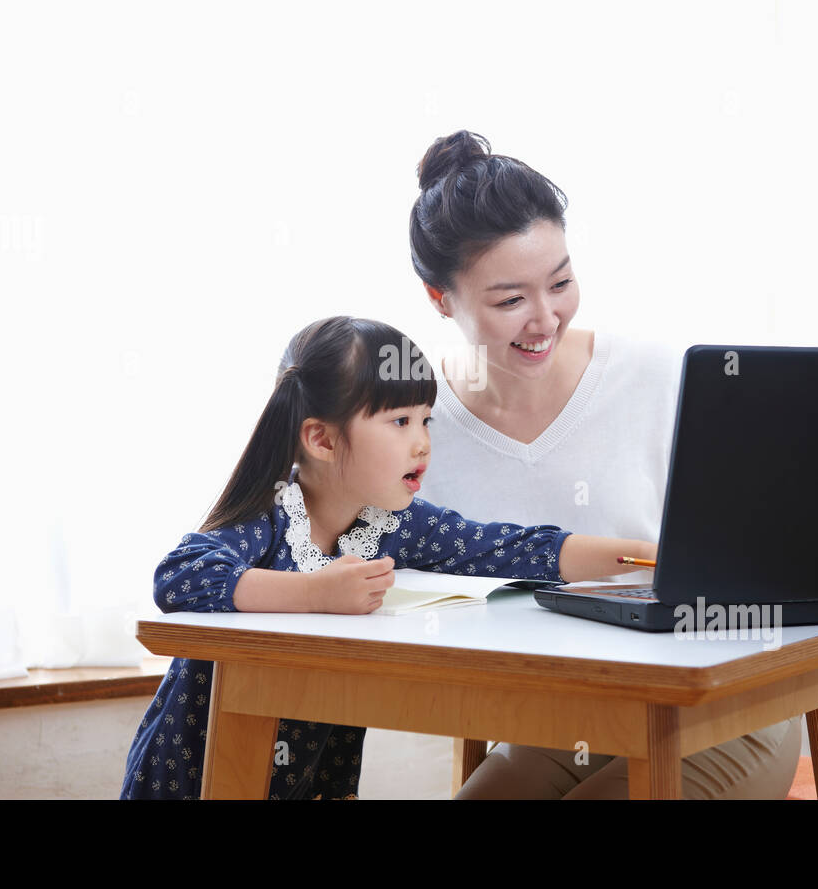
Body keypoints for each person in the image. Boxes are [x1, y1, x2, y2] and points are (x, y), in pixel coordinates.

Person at [408, 130, 803, 799]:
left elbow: (766, 548)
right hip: (555, 724)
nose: (545, 319)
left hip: (722, 706)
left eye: (561, 282)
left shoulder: (656, 379)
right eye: (510, 300)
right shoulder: (416, 424)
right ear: (440, 299)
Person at [119, 315, 657, 799]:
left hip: (313, 782)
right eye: (400, 422)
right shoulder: (270, 515)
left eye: (427, 420)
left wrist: (646, 557)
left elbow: (513, 548)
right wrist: (315, 594)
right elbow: (180, 576)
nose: (422, 443)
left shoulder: (392, 524)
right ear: (321, 441)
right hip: (195, 780)